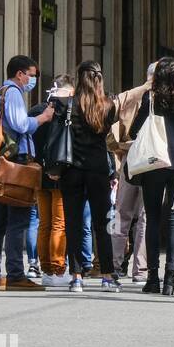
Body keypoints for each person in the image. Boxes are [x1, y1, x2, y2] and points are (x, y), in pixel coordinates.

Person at [129, 58, 174, 296]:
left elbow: (133, 131)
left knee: (152, 218)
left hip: (154, 164)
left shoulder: (151, 100)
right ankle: (170, 280)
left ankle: (152, 278)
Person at [0, 55, 55, 291]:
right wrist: (42, 118)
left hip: (3, 162)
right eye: (32, 75)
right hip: (17, 162)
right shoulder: (12, 92)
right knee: (18, 220)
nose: (32, 80)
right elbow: (21, 124)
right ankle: (15, 275)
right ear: (21, 74)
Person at [59, 60, 121, 293]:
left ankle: (76, 277)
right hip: (98, 171)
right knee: (102, 224)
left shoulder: (67, 104)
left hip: (71, 170)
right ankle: (106, 275)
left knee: (73, 223)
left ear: (80, 78)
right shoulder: (108, 106)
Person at [109, 64, 155, 282]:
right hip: (153, 158)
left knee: (121, 213)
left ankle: (115, 265)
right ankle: (141, 269)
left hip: (129, 154)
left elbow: (114, 108)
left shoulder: (132, 95)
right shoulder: (160, 97)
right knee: (145, 216)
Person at [33, 75, 74, 287]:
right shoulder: (65, 111)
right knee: (59, 223)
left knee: (44, 223)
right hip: (58, 172)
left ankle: (46, 269)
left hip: (39, 173)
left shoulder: (36, 110)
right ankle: (58, 269)